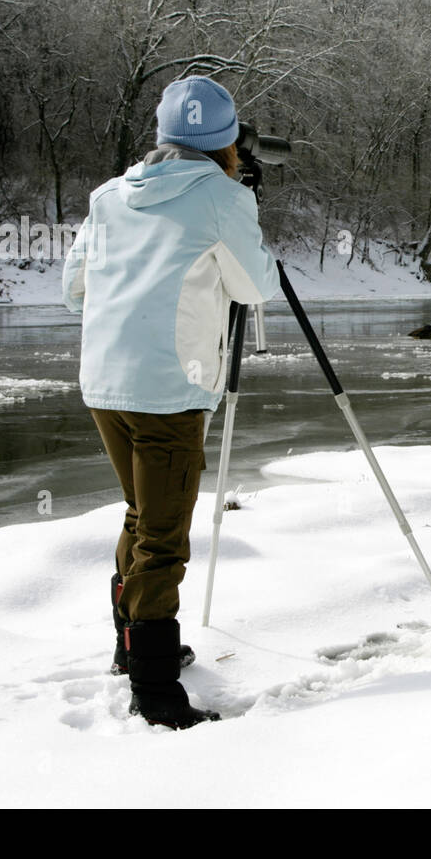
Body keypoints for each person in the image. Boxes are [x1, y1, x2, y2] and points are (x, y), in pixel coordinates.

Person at [61, 75, 282, 729]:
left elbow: (74, 287)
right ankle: (155, 692)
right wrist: (243, 212)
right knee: (163, 540)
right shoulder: (220, 197)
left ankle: (133, 648)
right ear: (227, 144)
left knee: (142, 516)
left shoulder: (109, 197)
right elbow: (256, 285)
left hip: (105, 382)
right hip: (168, 389)